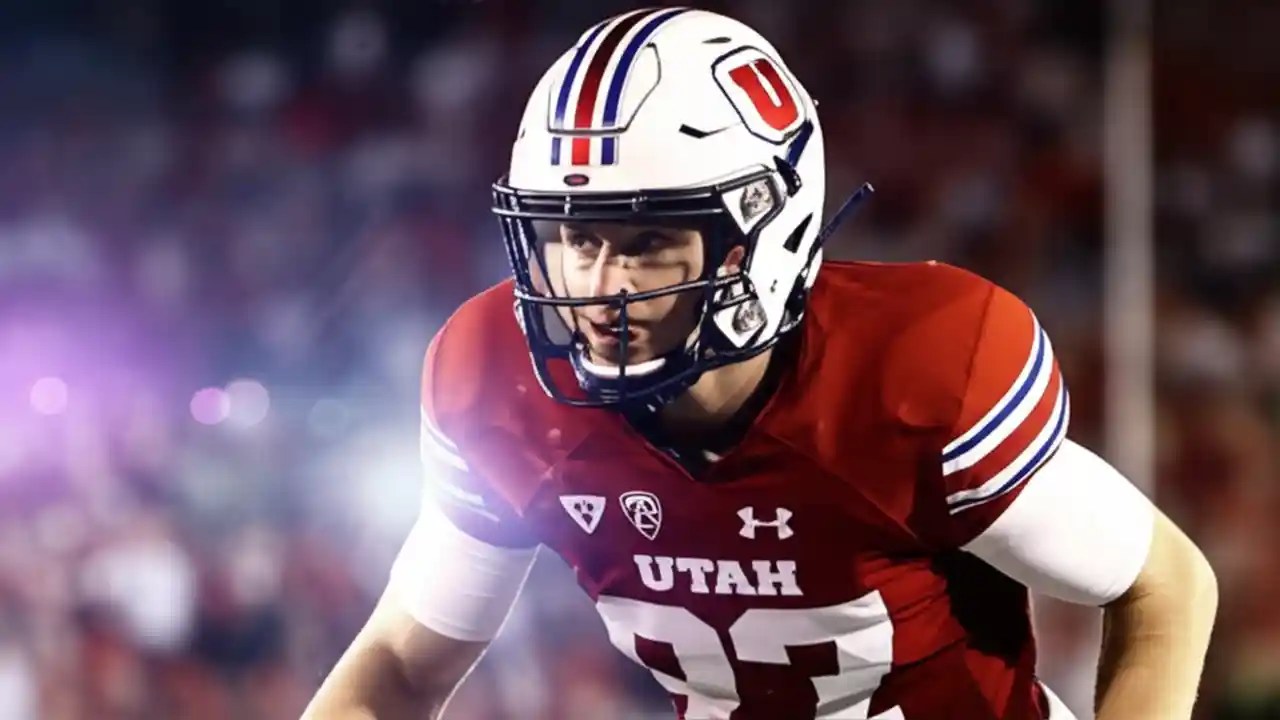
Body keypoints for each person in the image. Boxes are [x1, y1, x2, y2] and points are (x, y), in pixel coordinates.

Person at [304, 8, 1217, 719]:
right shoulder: (496, 385)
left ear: (766, 236)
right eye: (573, 237)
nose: (596, 285)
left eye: (649, 240)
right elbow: (396, 664)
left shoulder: (909, 377)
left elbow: (1164, 584)